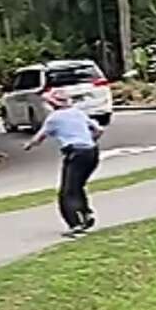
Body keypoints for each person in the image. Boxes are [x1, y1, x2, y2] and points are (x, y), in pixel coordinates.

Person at [23, 90, 104, 237]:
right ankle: (86, 214)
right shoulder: (78, 113)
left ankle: (76, 224)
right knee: (77, 186)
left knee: (67, 192)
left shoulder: (54, 118)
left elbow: (39, 137)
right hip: (91, 152)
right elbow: (98, 130)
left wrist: (29, 145)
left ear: (52, 104)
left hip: (75, 153)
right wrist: (90, 140)